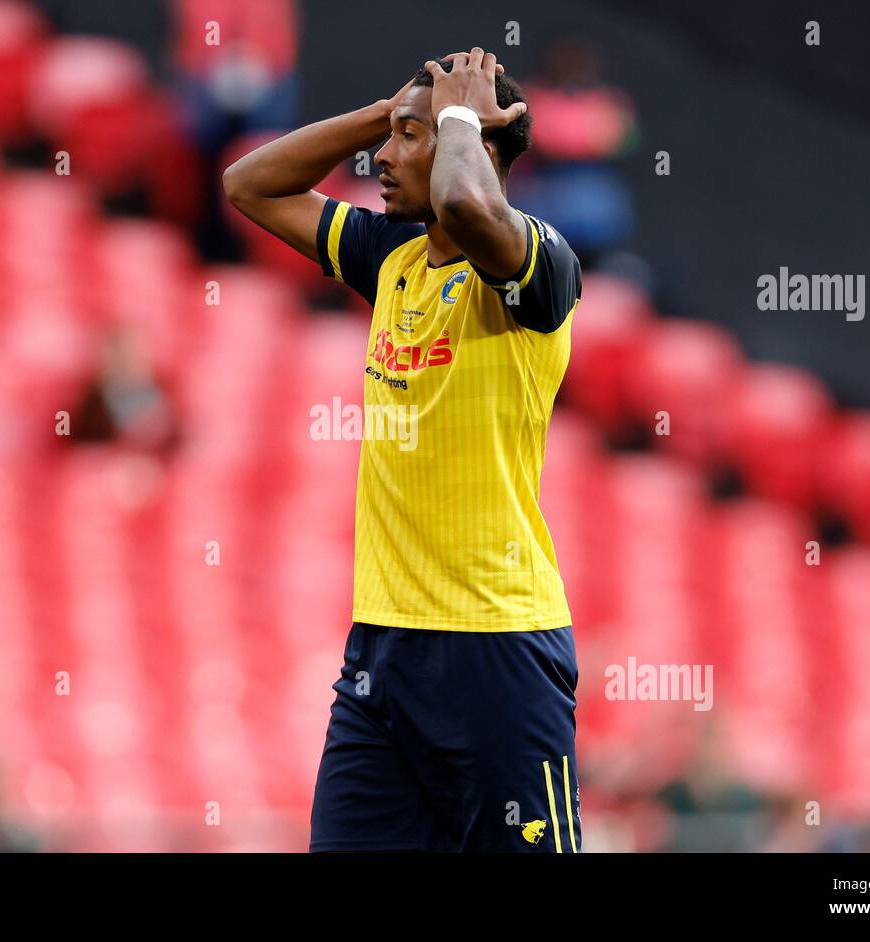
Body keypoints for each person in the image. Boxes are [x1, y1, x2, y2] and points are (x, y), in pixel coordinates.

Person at [224, 48, 582, 852]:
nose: (380, 158)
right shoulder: (393, 258)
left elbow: (464, 201)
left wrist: (454, 119)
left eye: (407, 138)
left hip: (498, 651)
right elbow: (249, 184)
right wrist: (391, 110)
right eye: (391, 136)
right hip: (384, 651)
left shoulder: (536, 265)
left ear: (480, 144)